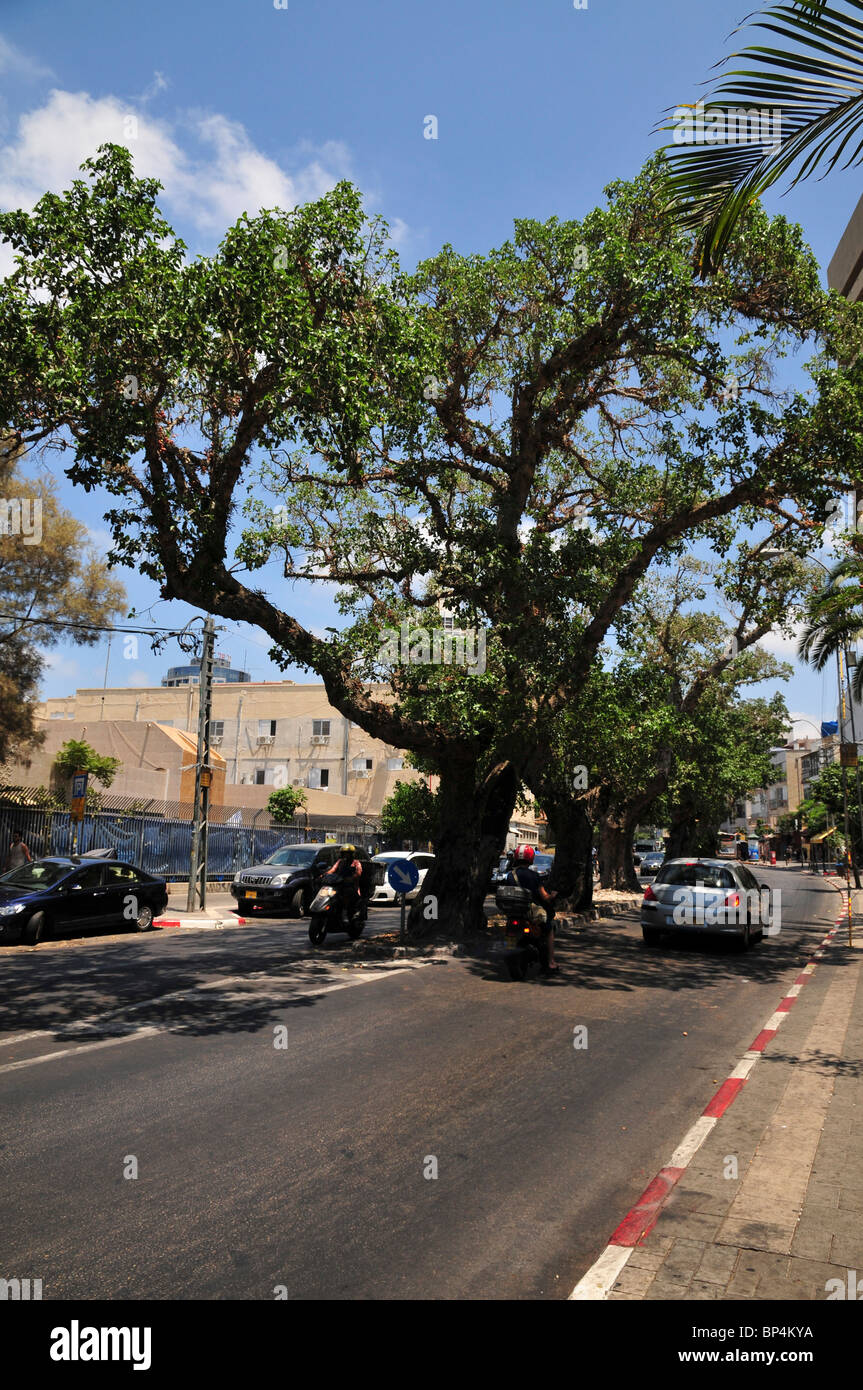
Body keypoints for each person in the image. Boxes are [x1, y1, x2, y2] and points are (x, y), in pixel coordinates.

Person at [506, 843, 560, 976]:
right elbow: (545, 897)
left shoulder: (510, 875)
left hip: (513, 913)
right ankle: (551, 962)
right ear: (531, 859)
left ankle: (510, 949)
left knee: (510, 932)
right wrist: (553, 895)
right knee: (549, 929)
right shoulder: (534, 876)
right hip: (530, 914)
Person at [325, 844, 363, 918]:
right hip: (338, 883)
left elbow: (358, 873)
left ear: (352, 854)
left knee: (346, 893)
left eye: (348, 853)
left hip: (351, 885)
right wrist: (324, 875)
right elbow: (333, 870)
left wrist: (351, 878)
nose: (346, 855)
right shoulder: (340, 861)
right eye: (344, 853)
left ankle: (345, 912)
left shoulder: (356, 862)